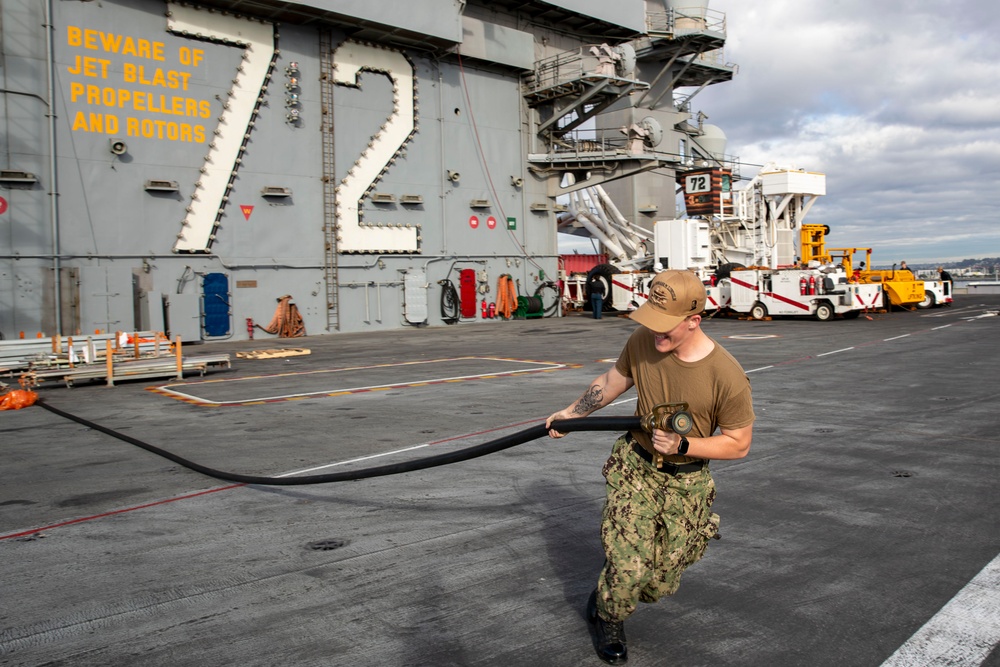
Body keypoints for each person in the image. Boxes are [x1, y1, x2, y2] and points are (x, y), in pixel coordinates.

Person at [546, 269, 755, 664]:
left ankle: (614, 586)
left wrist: (684, 443)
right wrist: (570, 415)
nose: (656, 334)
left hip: (686, 483)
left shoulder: (726, 376)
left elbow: (738, 444)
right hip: (636, 468)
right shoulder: (644, 340)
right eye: (652, 321)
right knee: (629, 566)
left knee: (657, 579)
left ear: (694, 320)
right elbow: (612, 380)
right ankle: (609, 615)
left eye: (666, 326)